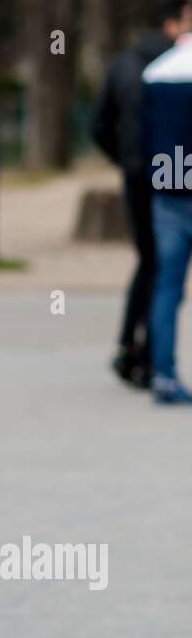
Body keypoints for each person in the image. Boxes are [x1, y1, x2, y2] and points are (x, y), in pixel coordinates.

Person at [90, 0, 192, 388]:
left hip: (139, 176)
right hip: (172, 178)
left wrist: (127, 161)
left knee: (149, 264)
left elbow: (99, 125)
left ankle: (131, 348)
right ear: (171, 25)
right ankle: (151, 356)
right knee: (165, 270)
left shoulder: (124, 63)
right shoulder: (174, 66)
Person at [140, 26, 192, 403]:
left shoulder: (156, 72)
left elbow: (143, 135)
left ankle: (163, 375)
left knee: (167, 287)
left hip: (167, 189)